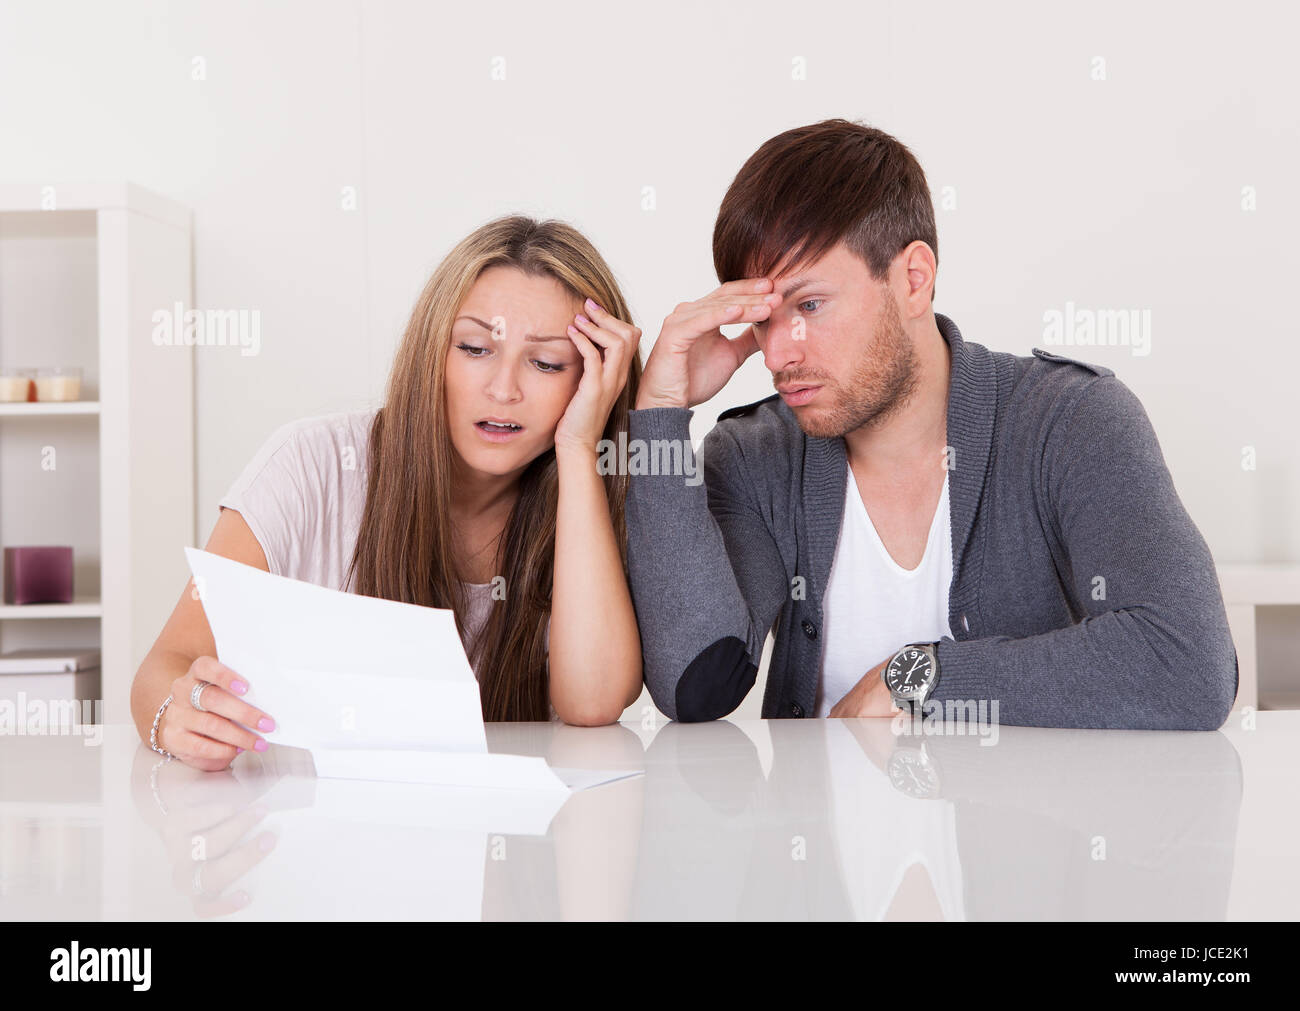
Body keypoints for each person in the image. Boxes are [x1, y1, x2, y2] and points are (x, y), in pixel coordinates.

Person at [626, 118, 1237, 730]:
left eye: (809, 305)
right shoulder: (754, 456)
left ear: (913, 280)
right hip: (812, 799)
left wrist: (917, 679)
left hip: (1023, 799)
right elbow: (695, 684)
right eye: (762, 320)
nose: (778, 354)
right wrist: (659, 414)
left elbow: (1189, 664)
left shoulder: (1070, 421)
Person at [131, 215, 645, 770]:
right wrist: (175, 716)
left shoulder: (597, 499)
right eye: (475, 348)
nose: (503, 390)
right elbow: (164, 667)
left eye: (546, 363)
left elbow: (592, 702)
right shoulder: (309, 465)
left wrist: (578, 447)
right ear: (431, 351)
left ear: (591, 379)